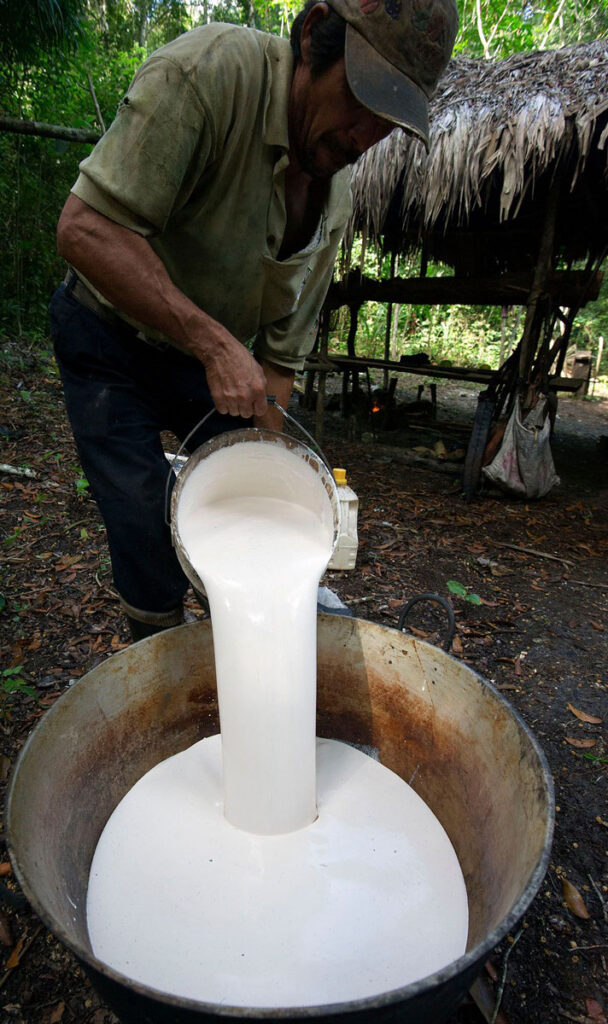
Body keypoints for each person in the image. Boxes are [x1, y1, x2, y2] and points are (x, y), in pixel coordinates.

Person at [50, 0, 458, 640]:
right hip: (107, 333)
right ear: (311, 36)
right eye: (361, 100)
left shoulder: (334, 199)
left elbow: (278, 365)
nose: (363, 137)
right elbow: (84, 230)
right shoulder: (208, 76)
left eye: (387, 122)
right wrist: (213, 344)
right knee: (141, 516)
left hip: (206, 357)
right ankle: (160, 657)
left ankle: (256, 630)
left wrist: (276, 473)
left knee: (255, 499)